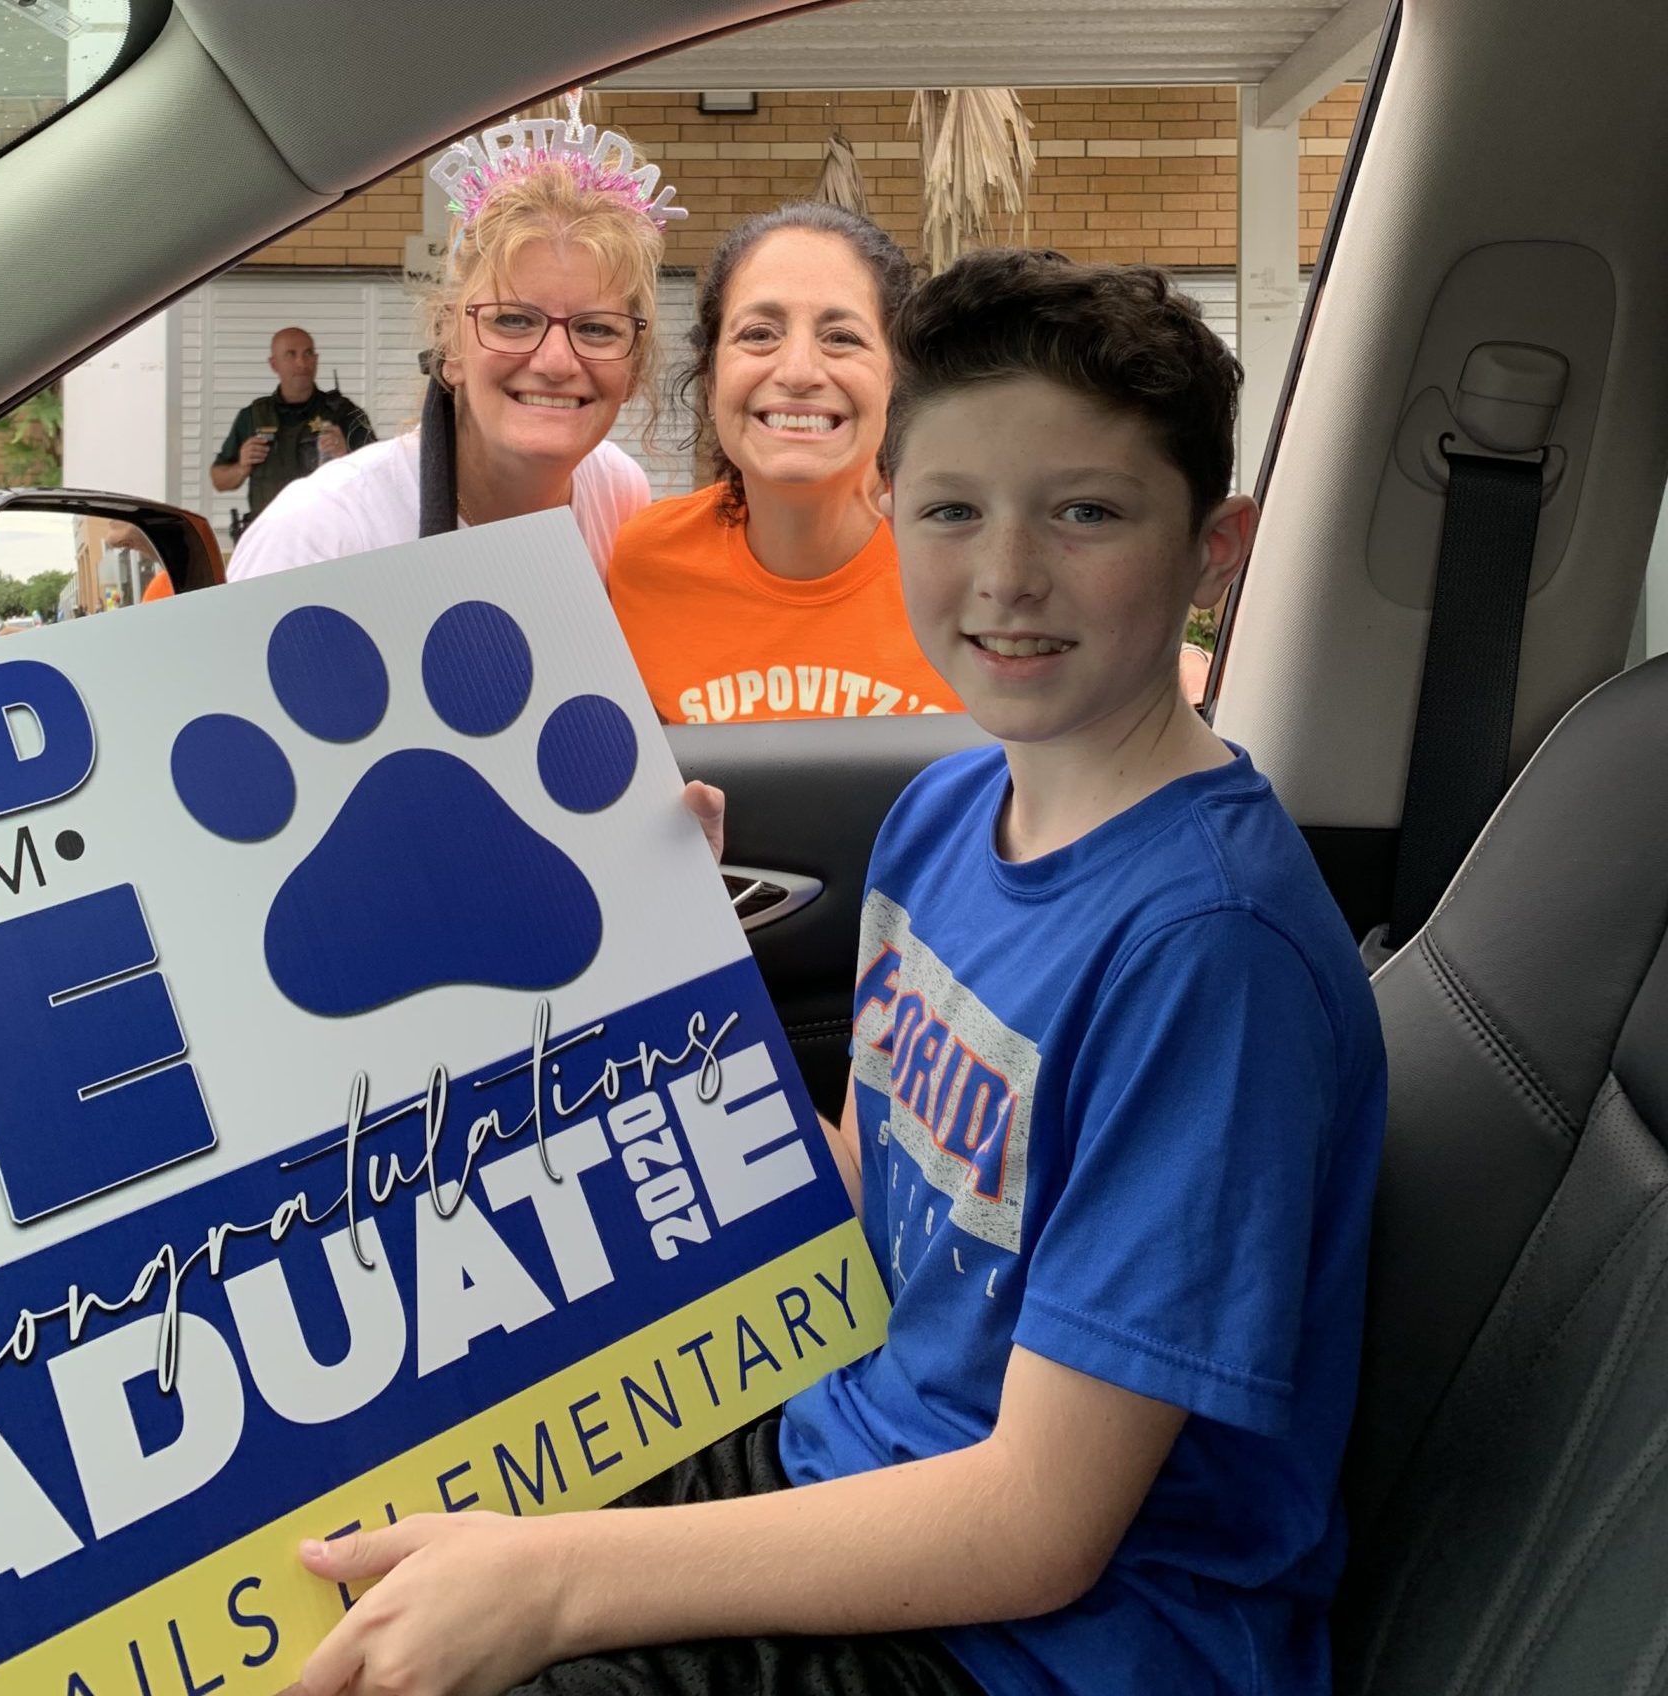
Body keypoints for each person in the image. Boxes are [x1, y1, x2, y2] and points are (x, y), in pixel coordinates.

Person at [282, 249, 1388, 1696]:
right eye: (951, 511)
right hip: (843, 1440)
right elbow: (863, 1186)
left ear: (1215, 551)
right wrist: (641, 991)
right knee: (353, 1535)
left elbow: (1037, 1526)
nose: (1006, 574)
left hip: (1053, 1644)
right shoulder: (944, 811)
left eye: (1088, 512)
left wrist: (554, 1581)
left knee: (485, 1637)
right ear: (888, 508)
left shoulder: (1207, 955)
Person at [227, 111, 676, 584]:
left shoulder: (619, 494)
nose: (556, 361)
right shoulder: (324, 537)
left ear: (635, 363)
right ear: (452, 346)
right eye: (513, 320)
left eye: (597, 329)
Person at [607, 204, 958, 725]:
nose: (798, 372)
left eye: (841, 338)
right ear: (710, 380)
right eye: (759, 334)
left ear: (898, 381)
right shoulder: (643, 564)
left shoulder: (969, 565)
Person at [211, 327, 376, 521]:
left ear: (316, 359)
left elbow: (377, 479)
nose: (302, 363)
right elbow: (219, 480)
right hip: (271, 536)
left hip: (328, 533)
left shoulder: (345, 413)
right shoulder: (253, 416)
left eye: (308, 353)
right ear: (274, 364)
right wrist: (241, 467)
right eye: (291, 354)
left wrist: (345, 455)